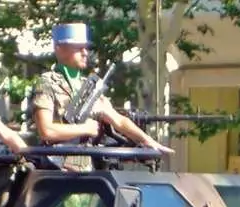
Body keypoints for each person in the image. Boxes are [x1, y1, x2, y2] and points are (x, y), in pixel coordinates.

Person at [31, 22, 174, 174]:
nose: (85, 52)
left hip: (86, 170)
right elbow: (46, 131)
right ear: (59, 49)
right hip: (56, 172)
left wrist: (149, 141)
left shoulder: (87, 87)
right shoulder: (47, 84)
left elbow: (118, 120)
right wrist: (84, 128)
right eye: (79, 48)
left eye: (86, 47)